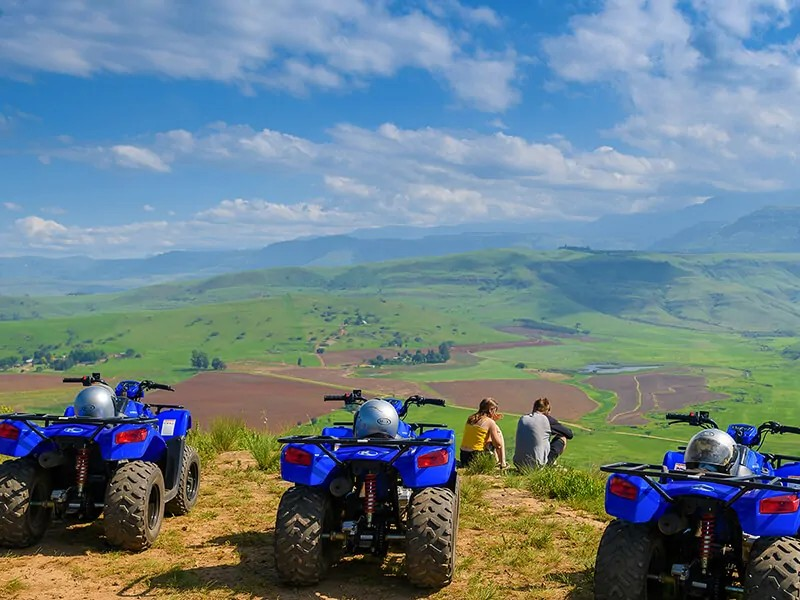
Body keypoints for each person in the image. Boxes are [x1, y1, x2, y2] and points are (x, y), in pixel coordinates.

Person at [460, 397, 507, 468]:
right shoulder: (490, 422)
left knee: (489, 438)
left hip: (464, 457)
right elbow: (498, 445)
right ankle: (502, 464)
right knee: (498, 433)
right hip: (476, 458)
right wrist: (493, 424)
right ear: (491, 410)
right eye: (495, 410)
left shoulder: (471, 418)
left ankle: (500, 463)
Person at [513, 397, 553, 469]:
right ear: (546, 411)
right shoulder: (545, 419)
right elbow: (568, 433)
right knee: (561, 439)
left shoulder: (523, 418)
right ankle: (549, 465)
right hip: (536, 466)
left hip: (519, 464)